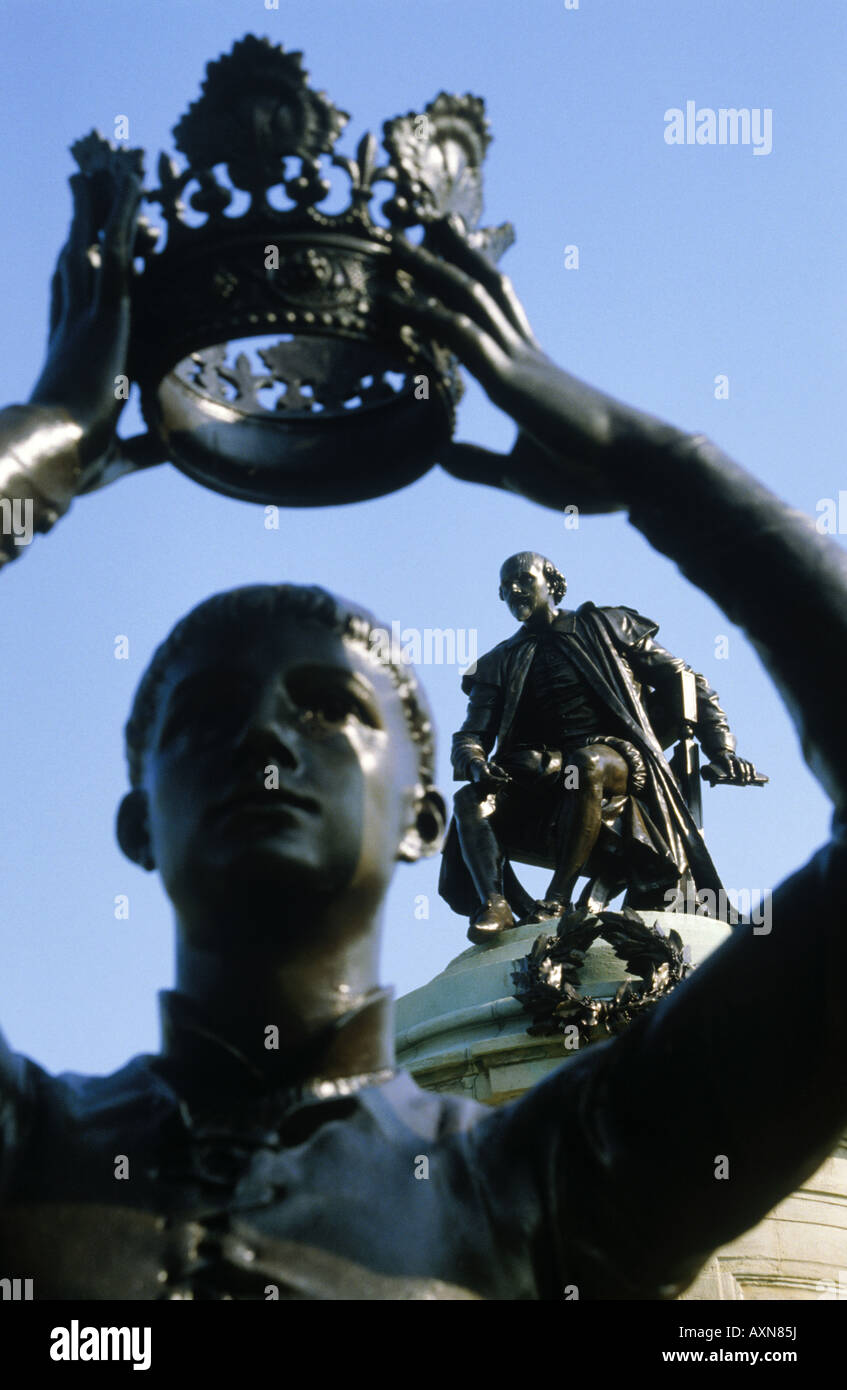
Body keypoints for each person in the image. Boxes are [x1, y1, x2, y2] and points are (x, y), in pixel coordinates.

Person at [1, 171, 846, 1301]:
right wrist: (40, 447)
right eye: (208, 715)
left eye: (330, 708)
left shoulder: (547, 1191)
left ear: (421, 816)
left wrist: (660, 468)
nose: (264, 733)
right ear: (133, 823)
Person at [439, 547, 763, 942]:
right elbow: (471, 735)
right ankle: (497, 903)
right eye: (506, 587)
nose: (515, 589)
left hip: (618, 760)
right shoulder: (497, 662)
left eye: (525, 578)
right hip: (546, 774)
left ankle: (558, 898)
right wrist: (475, 763)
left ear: (552, 583)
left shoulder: (607, 625)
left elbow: (687, 683)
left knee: (585, 762)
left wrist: (723, 751)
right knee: (469, 800)